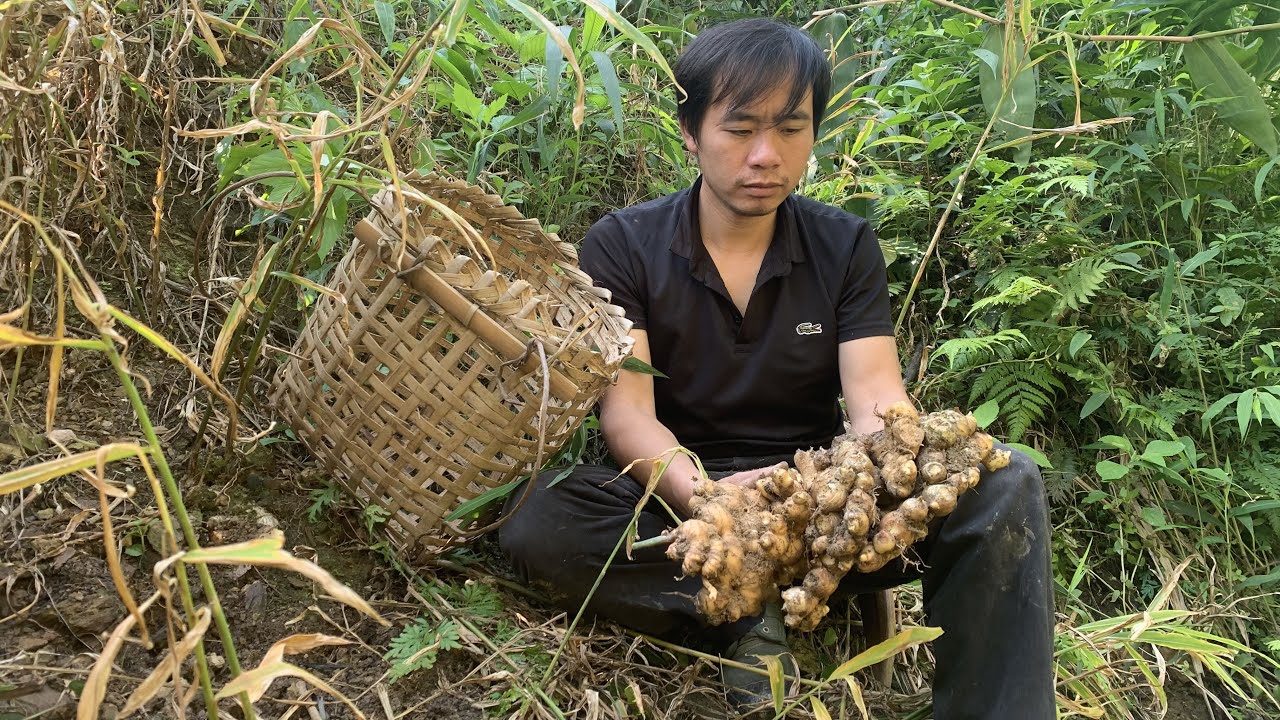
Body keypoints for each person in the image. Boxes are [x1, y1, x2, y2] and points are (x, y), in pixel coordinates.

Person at [499, 17, 1054, 719]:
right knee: (539, 513)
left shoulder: (843, 245)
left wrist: (834, 486)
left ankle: (983, 706)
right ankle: (741, 608)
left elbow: (877, 402)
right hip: (680, 501)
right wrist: (714, 503)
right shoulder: (625, 244)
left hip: (817, 501)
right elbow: (630, 417)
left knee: (1004, 485)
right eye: (740, 128)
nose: (765, 155)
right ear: (691, 131)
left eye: (790, 128)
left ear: (814, 133)